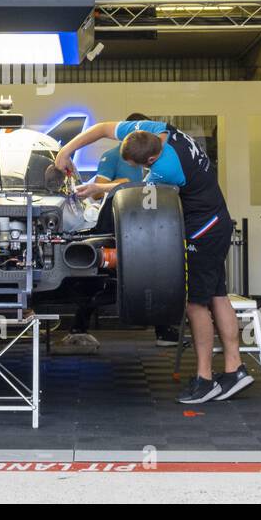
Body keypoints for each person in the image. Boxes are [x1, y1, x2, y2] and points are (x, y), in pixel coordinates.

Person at [56, 119, 251, 404]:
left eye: (142, 166)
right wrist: (67, 151)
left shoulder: (166, 169)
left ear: (150, 160)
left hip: (205, 229)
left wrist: (99, 189)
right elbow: (101, 128)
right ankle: (235, 370)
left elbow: (138, 195)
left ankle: (205, 379)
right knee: (218, 296)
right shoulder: (157, 129)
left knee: (196, 304)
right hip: (216, 222)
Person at [57, 113, 178, 352]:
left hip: (150, 225)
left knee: (156, 272)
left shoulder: (160, 159)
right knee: (110, 275)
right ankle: (79, 327)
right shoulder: (113, 156)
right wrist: (122, 184)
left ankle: (164, 330)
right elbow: (98, 192)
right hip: (119, 226)